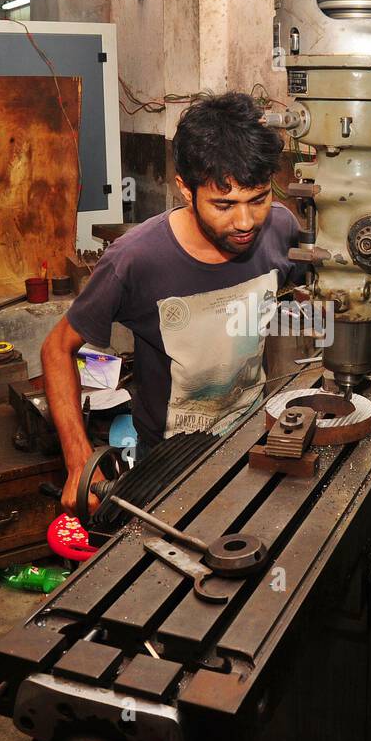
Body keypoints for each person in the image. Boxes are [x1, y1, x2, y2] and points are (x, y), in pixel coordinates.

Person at [42, 92, 303, 515]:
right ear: (184, 188)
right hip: (168, 461)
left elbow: (324, 296)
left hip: (255, 436)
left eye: (258, 199)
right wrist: (78, 462)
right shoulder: (135, 260)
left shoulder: (279, 228)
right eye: (224, 204)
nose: (244, 222)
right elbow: (57, 348)